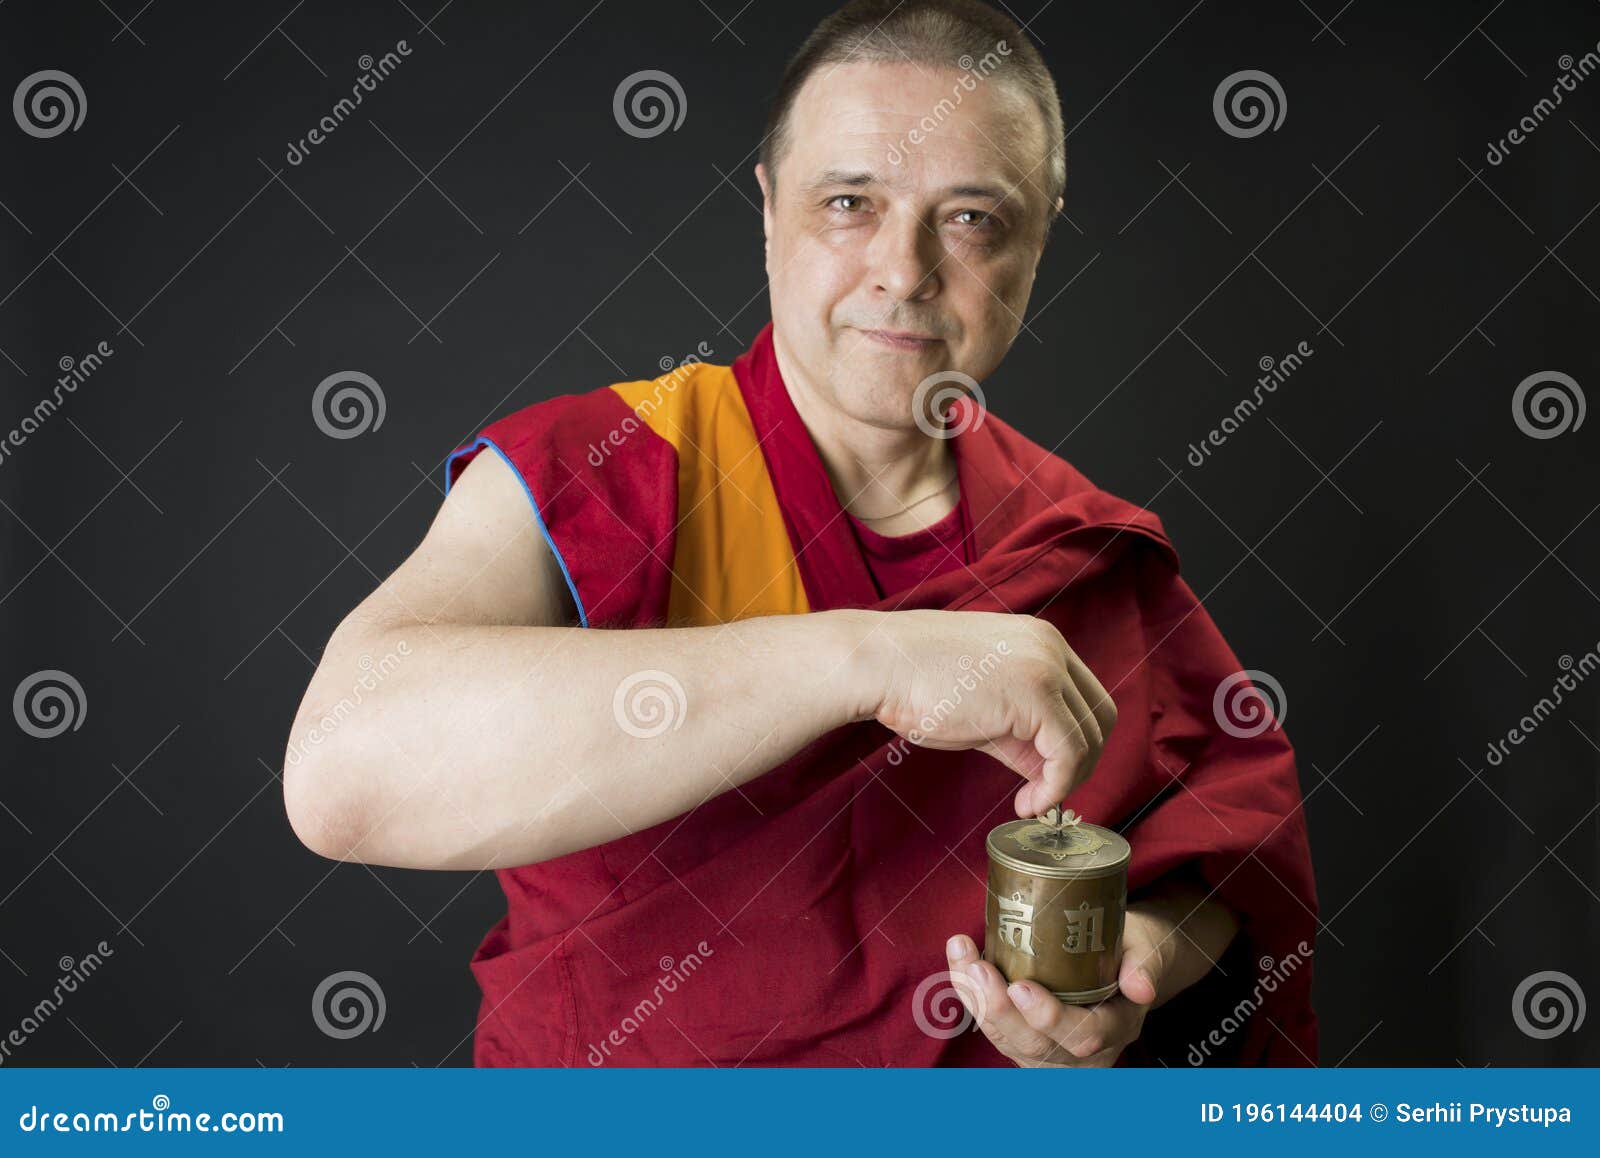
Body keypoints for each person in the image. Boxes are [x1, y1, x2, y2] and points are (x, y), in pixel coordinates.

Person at [282, 0, 1318, 1067]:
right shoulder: (601, 465)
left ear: (1038, 240)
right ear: (770, 207)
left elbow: (1225, 847)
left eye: (971, 219)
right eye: (849, 202)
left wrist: (1131, 966)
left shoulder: (1077, 540)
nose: (904, 270)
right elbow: (338, 776)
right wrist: (866, 655)